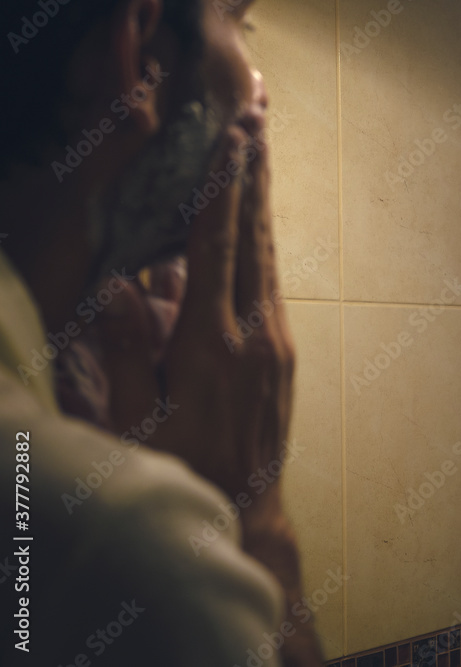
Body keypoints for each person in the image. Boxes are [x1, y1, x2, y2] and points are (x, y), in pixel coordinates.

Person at [0, 0, 323, 665]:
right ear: (135, 47)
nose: (256, 87)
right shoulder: (123, 558)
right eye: (240, 22)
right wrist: (256, 519)